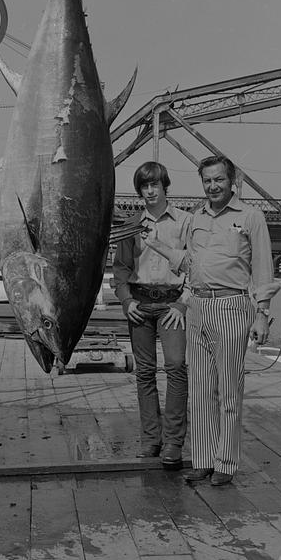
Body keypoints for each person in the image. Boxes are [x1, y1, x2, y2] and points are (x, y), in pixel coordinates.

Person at [142, 155, 279, 486]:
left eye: (218, 180)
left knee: (228, 391)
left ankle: (226, 463)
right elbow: (189, 263)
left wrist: (262, 312)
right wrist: (157, 244)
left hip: (231, 307)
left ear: (231, 182)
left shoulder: (251, 217)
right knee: (201, 391)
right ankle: (203, 459)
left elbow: (262, 267)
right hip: (198, 307)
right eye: (207, 181)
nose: (213, 186)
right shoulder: (196, 218)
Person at [112, 161, 192, 470]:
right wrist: (125, 300)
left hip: (172, 305)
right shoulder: (131, 225)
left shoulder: (185, 222)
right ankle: (151, 439)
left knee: (175, 367)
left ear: (164, 186)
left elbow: (193, 267)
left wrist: (183, 304)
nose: (149, 191)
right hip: (140, 304)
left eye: (154, 185)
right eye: (144, 186)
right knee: (144, 372)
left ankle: (173, 441)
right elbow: (120, 268)